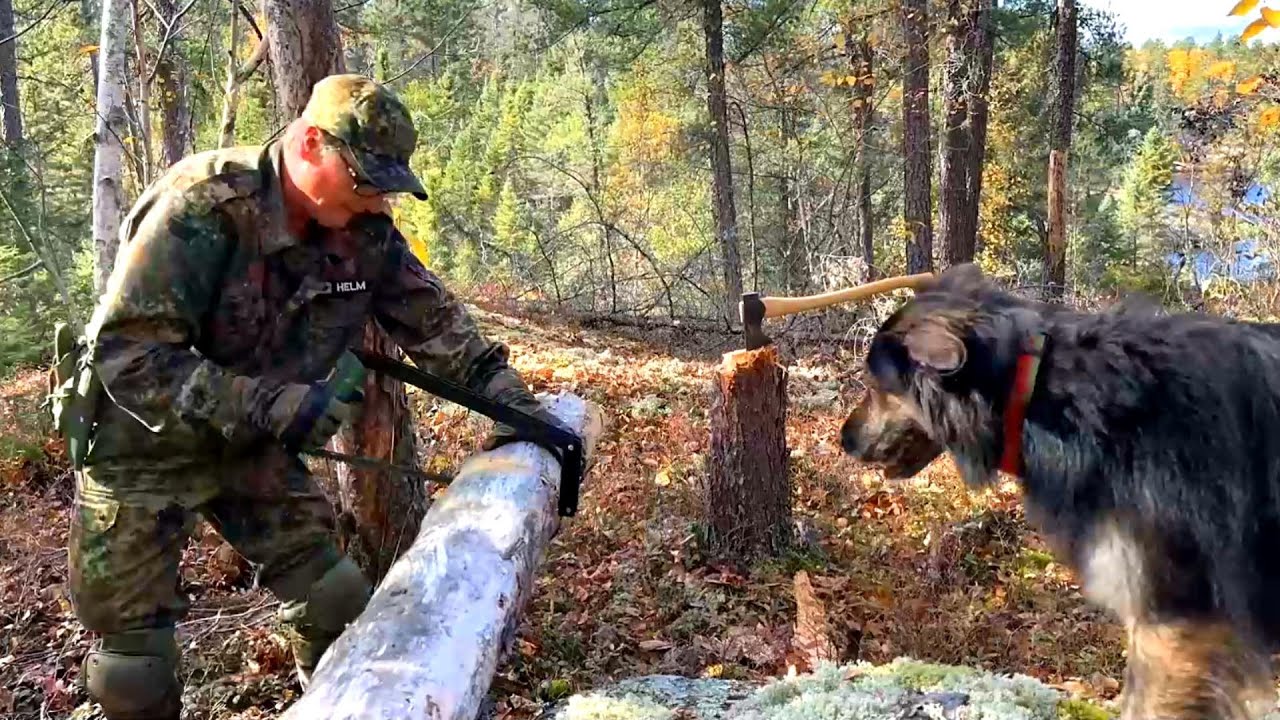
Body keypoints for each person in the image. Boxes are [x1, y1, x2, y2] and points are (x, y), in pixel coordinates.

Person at [65, 73, 562, 720]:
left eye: (384, 185)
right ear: (308, 145)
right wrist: (272, 405)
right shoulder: (202, 207)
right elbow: (127, 357)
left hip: (247, 446)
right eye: (363, 180)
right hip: (142, 441)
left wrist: (512, 402)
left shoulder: (362, 228)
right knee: (134, 668)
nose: (374, 201)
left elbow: (435, 324)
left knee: (335, 599)